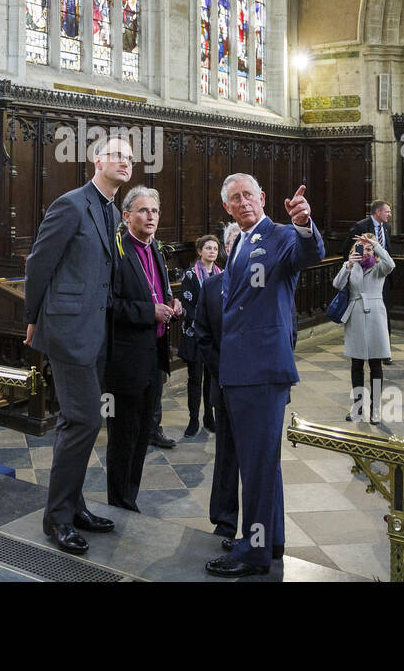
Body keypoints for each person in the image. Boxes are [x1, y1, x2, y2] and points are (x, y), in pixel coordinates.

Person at [204, 176, 324, 578]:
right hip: (240, 371)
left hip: (261, 370)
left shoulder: (282, 236)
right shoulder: (236, 242)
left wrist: (305, 224)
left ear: (264, 198)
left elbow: (309, 252)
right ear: (227, 207)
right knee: (262, 463)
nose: (243, 203)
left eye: (249, 195)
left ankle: (252, 553)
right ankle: (270, 541)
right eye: (234, 198)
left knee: (255, 465)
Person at [23, 136, 132, 555]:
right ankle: (58, 518)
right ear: (97, 160)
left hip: (97, 332)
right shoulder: (72, 204)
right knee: (83, 420)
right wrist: (33, 318)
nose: (125, 163)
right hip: (68, 332)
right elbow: (39, 263)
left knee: (85, 421)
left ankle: (76, 504)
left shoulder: (109, 210)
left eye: (129, 158)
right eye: (117, 156)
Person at [104, 186, 180, 512]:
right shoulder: (117, 252)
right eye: (143, 211)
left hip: (153, 356)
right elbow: (106, 305)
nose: (150, 217)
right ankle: (119, 500)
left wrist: (172, 305)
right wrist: (149, 312)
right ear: (126, 216)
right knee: (123, 435)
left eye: (155, 211)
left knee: (142, 435)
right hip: (124, 360)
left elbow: (157, 294)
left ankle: (129, 497)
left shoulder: (156, 252)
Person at [194, 223, 242, 542]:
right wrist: (225, 369)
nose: (238, 246)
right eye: (232, 242)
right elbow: (202, 336)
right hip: (225, 384)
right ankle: (224, 522)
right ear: (225, 248)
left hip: (260, 390)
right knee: (226, 456)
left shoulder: (267, 284)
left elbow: (287, 332)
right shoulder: (211, 288)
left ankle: (260, 528)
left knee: (260, 460)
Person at [333, 232, 394, 423]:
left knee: (375, 364)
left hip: (376, 315)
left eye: (368, 248)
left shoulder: (379, 268)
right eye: (361, 248)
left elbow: (391, 264)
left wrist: (375, 245)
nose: (365, 252)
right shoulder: (351, 266)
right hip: (356, 315)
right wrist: (348, 265)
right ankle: (357, 407)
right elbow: (337, 284)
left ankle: (375, 408)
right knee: (356, 364)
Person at [177, 233, 221, 436]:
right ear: (199, 251)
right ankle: (193, 419)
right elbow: (187, 305)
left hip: (213, 337)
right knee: (195, 379)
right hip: (195, 334)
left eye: (215, 248)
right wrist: (205, 325)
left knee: (211, 379)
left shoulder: (221, 274)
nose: (212, 251)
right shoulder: (190, 275)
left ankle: (208, 417)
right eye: (208, 248)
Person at [350, 200, 395, 360]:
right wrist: (357, 265)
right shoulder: (361, 227)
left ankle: (384, 351)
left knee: (383, 314)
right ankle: (364, 350)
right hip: (364, 276)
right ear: (378, 212)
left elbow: (387, 253)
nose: (389, 214)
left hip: (381, 274)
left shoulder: (387, 228)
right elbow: (352, 249)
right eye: (387, 211)